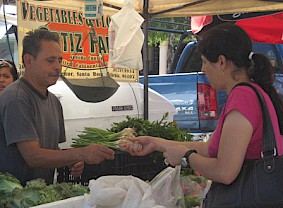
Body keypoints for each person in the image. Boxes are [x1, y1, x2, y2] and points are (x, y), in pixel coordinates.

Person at [124, 23, 283, 185]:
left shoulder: (243, 97)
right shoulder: (250, 91)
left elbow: (225, 172)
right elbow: (210, 149)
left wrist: (187, 157)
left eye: (205, 62)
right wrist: (156, 143)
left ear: (221, 62)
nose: (203, 69)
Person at [0, 29, 115, 185]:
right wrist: (80, 153)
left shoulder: (54, 101)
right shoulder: (16, 98)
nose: (57, 67)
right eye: (50, 60)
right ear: (28, 61)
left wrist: (70, 160)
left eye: (60, 60)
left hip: (43, 193)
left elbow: (51, 149)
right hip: (15, 200)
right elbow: (33, 156)